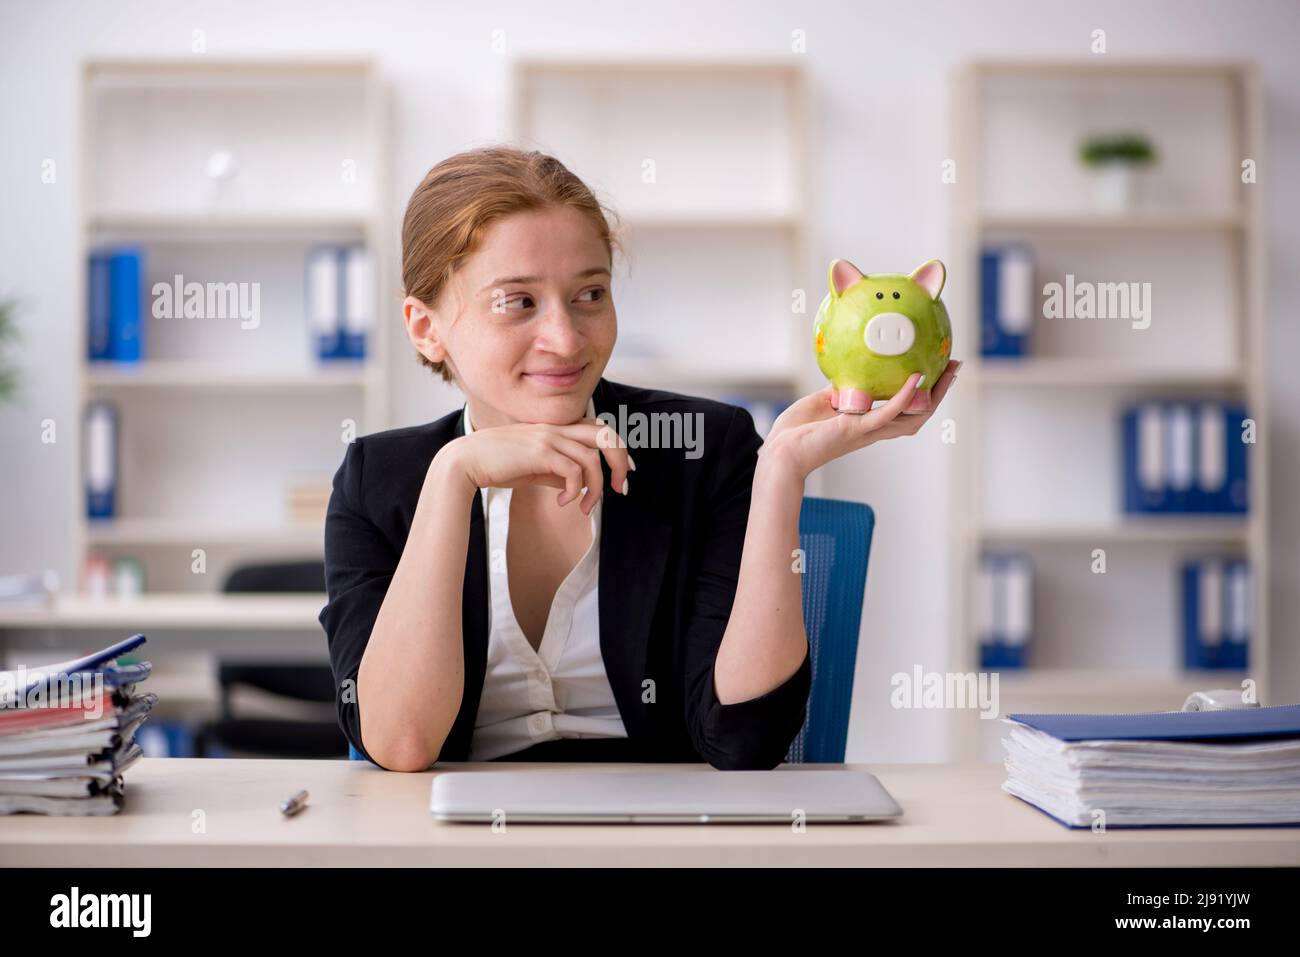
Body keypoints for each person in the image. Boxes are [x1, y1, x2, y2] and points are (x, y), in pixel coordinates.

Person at [320, 145, 959, 772]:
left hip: (664, 838)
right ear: (425, 326)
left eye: (590, 294)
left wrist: (781, 473)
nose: (567, 338)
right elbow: (401, 745)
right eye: (518, 301)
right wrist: (454, 477)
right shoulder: (378, 482)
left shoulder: (701, 447)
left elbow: (744, 741)